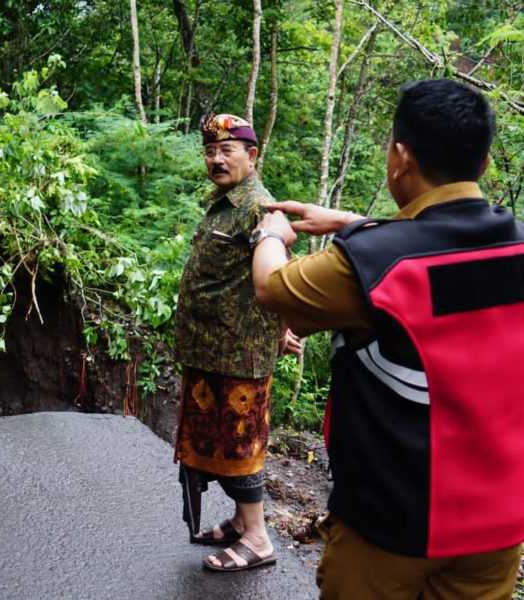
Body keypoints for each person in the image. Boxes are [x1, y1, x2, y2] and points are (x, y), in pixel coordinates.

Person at [251, 79, 524, 598]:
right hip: (499, 527)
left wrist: (270, 233)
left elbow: (272, 288)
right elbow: (444, 257)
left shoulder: (371, 268)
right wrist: (358, 224)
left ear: (400, 156)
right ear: (485, 163)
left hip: (393, 525)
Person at [173, 113, 302, 572]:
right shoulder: (226, 202)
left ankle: (258, 539)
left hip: (238, 354)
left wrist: (287, 325)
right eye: (210, 151)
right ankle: (238, 521)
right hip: (211, 350)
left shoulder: (259, 207)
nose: (215, 159)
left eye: (226, 151)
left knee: (240, 445)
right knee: (219, 442)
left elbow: (281, 269)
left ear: (251, 155)